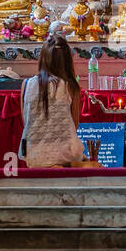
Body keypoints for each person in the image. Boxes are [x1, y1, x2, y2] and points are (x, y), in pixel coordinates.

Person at [20, 35, 86, 168]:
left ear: (43, 59)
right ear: (68, 61)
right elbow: (74, 124)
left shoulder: (26, 84)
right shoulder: (70, 85)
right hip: (65, 155)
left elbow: (26, 122)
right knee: (92, 164)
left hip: (33, 156)